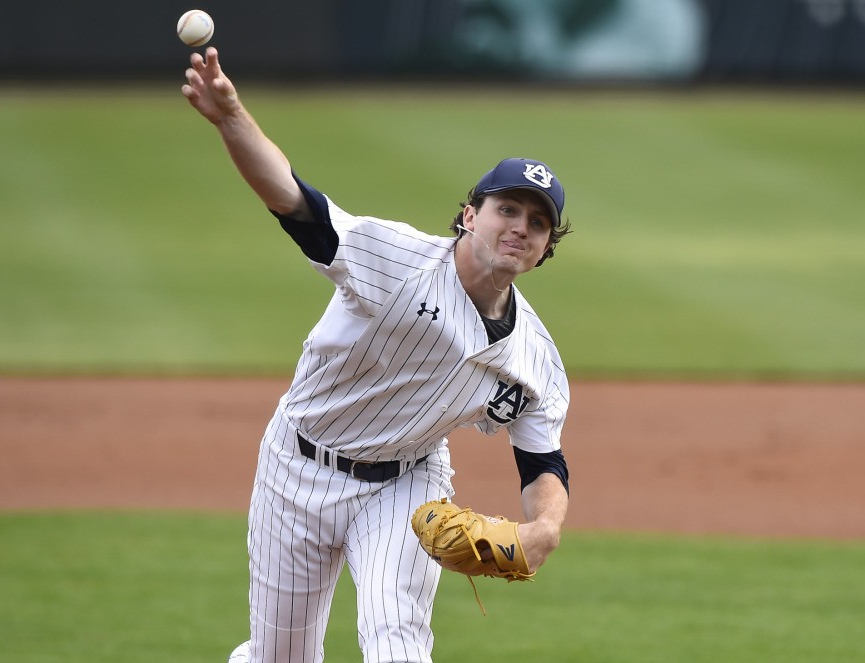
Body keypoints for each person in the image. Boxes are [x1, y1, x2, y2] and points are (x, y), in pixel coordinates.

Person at [181, 47, 573, 663]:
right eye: (507, 210)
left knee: (398, 644)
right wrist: (231, 117)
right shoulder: (397, 259)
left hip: (406, 485)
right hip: (298, 463)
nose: (519, 228)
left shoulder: (535, 358)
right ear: (471, 215)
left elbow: (542, 460)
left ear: (545, 249)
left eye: (537, 223)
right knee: (281, 656)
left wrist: (545, 526)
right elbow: (294, 202)